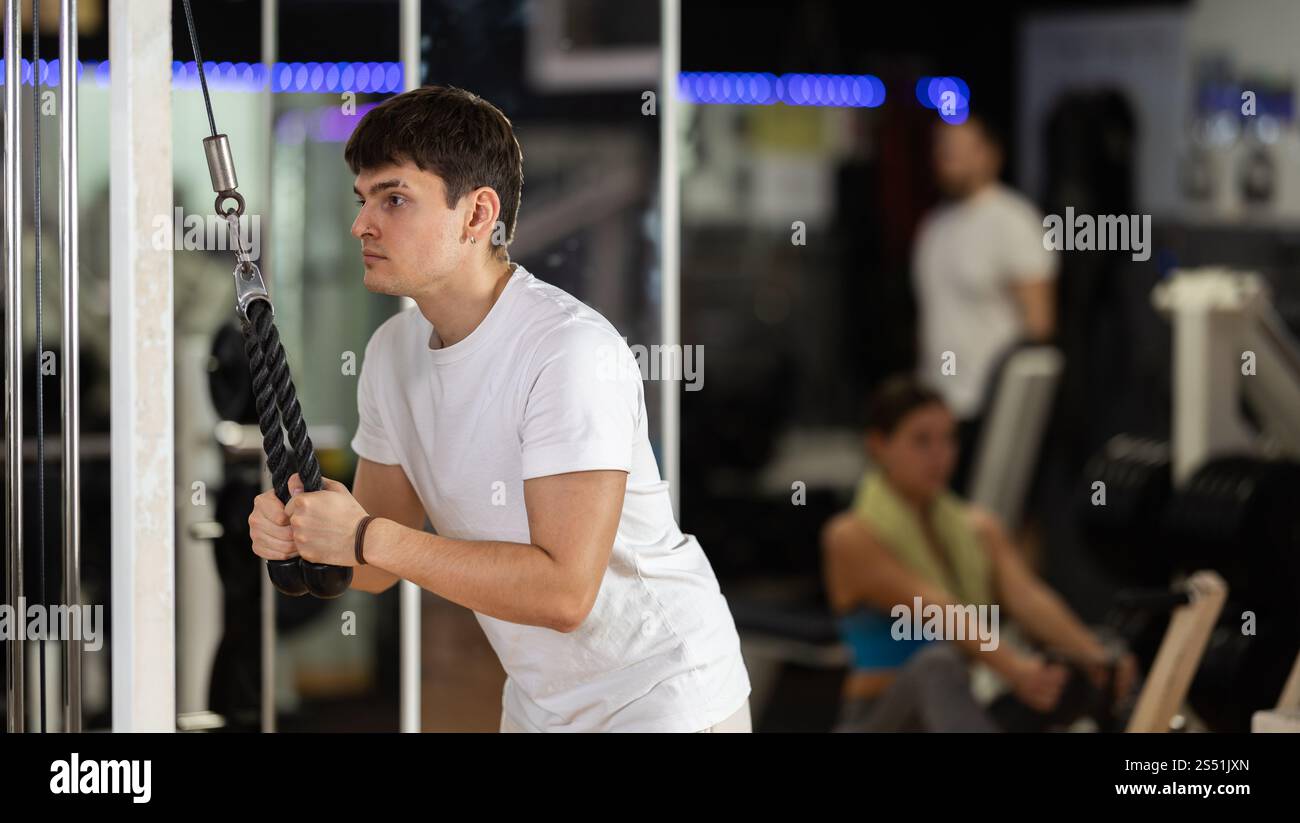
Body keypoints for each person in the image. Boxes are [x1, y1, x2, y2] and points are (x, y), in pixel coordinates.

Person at [246, 85, 751, 733]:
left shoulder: (568, 351)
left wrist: (364, 534)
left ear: (478, 214)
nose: (362, 224)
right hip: (542, 704)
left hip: (663, 694)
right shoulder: (391, 352)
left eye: (394, 198)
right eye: (362, 199)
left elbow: (565, 593)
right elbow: (372, 569)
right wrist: (309, 533)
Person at [819, 376, 1136, 732]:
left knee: (1076, 666)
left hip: (955, 714)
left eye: (948, 439)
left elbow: (1029, 599)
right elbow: (936, 608)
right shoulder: (850, 536)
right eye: (921, 441)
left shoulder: (977, 528)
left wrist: (1095, 656)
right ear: (879, 445)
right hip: (880, 719)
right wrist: (1015, 669)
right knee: (936, 664)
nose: (940, 456)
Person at [912, 113, 1059, 494]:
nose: (948, 158)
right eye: (942, 150)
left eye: (959, 149)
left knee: (1000, 518)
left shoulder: (1013, 222)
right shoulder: (935, 226)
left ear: (990, 155)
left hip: (991, 404)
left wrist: (1016, 409)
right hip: (939, 402)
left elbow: (1039, 327)